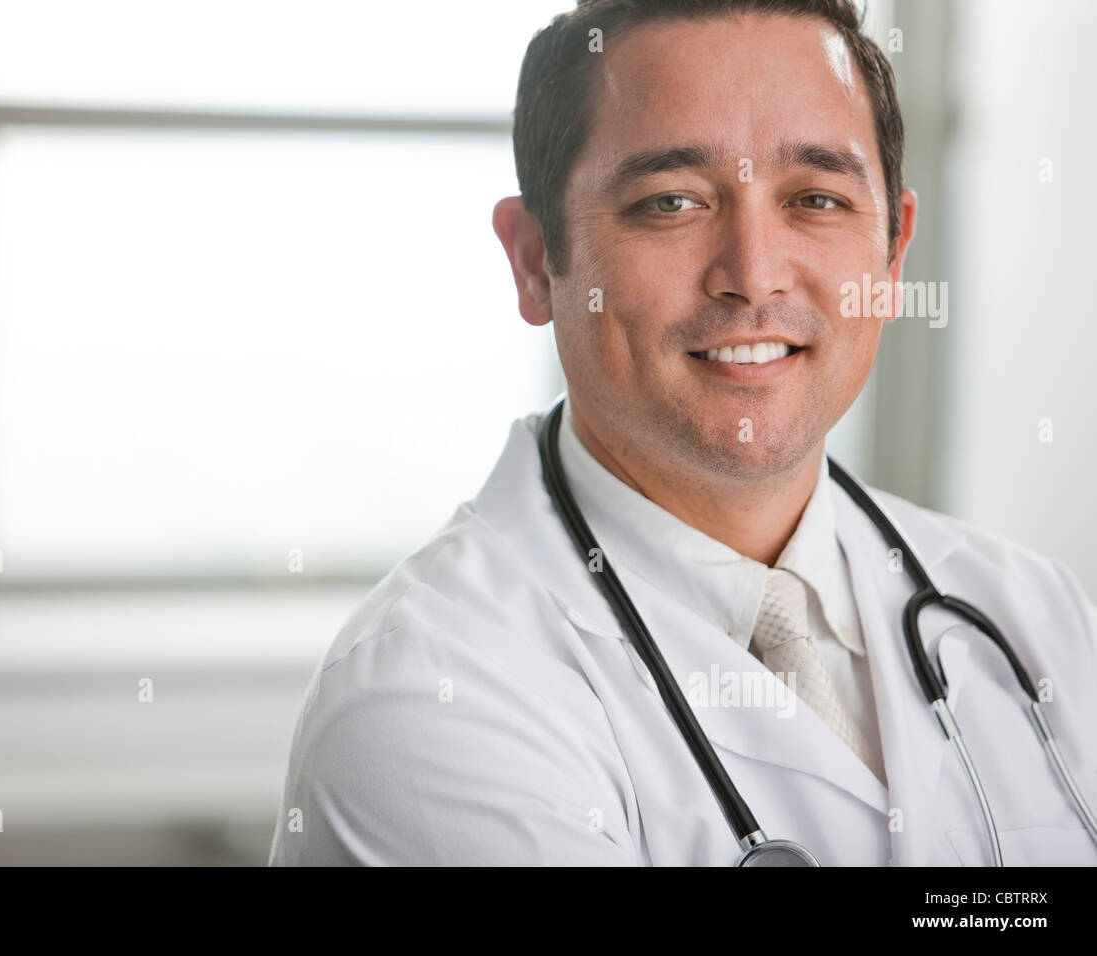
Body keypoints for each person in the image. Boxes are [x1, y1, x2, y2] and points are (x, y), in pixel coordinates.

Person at [267, 0, 1097, 866]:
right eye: (671, 202)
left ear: (893, 258)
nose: (752, 274)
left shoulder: (1036, 619)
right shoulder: (424, 700)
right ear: (532, 261)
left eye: (815, 198)